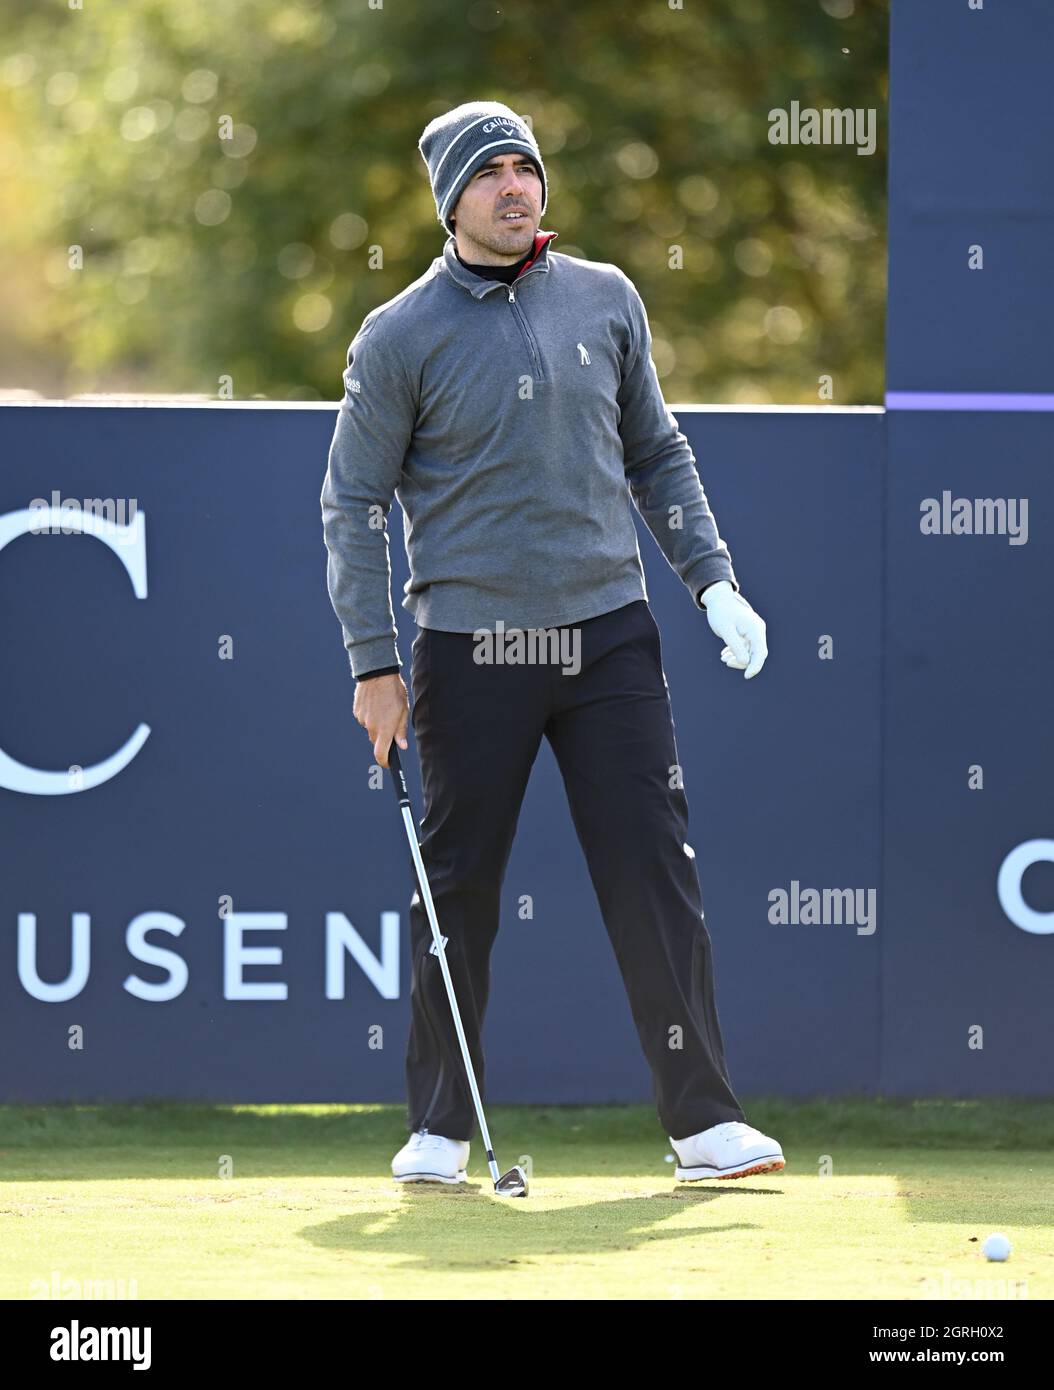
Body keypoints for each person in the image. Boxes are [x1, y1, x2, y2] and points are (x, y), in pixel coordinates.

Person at [320, 99, 784, 1186]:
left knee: (653, 868)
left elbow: (656, 454)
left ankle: (704, 1124)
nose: (514, 187)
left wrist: (714, 581)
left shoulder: (606, 296)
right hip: (469, 645)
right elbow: (352, 504)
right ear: (451, 203)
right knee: (458, 886)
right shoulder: (399, 335)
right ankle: (439, 1131)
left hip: (609, 635)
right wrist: (373, 662)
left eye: (525, 166)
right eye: (489, 174)